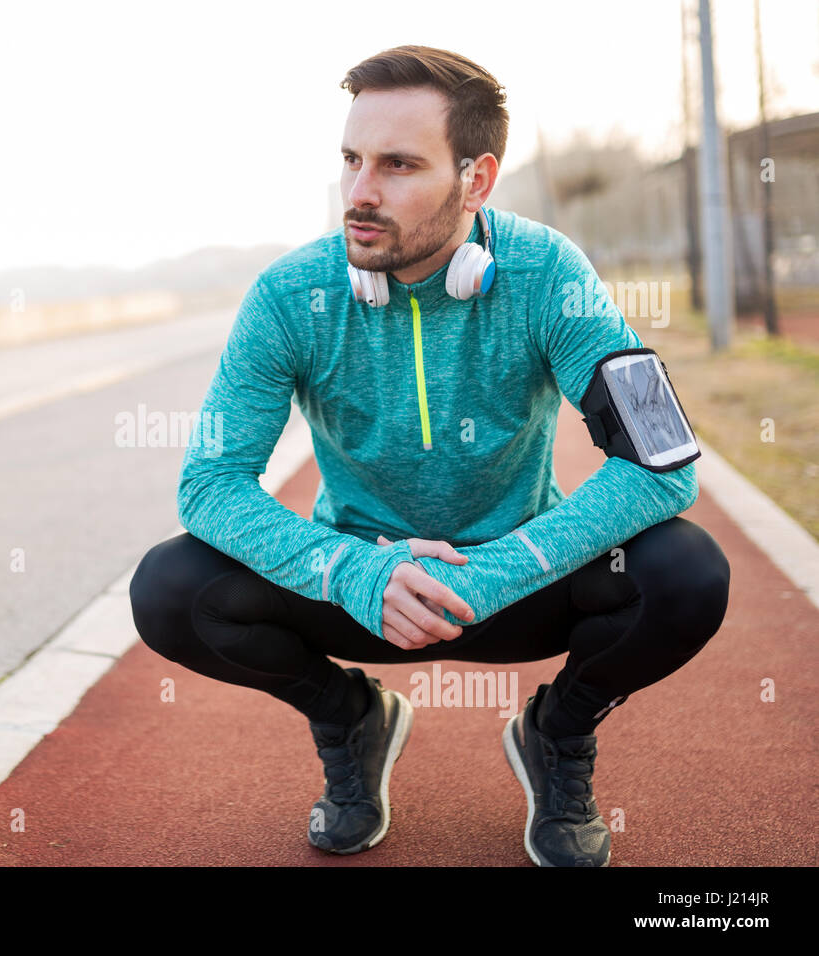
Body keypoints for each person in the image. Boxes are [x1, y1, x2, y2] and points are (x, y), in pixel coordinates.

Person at [128, 44, 731, 867]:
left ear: (477, 180)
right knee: (170, 588)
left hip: (516, 585)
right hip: (358, 591)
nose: (360, 192)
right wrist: (350, 571)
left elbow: (663, 462)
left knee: (688, 572)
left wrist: (492, 573)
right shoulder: (285, 295)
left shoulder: (550, 271)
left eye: (399, 165)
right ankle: (349, 717)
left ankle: (557, 734)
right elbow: (208, 486)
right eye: (351, 160)